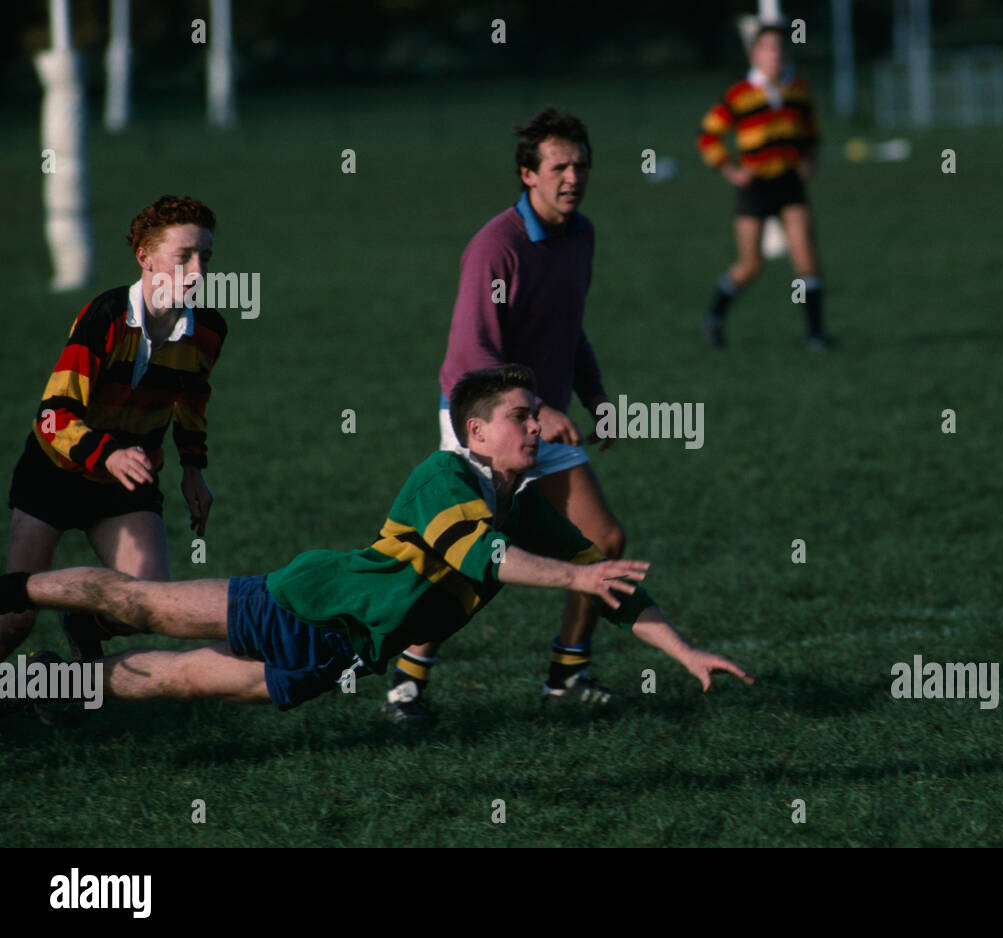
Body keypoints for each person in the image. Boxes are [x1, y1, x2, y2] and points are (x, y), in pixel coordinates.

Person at [0, 366, 754, 713]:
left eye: (536, 414)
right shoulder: (443, 478)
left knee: (182, 679)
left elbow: (612, 582)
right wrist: (576, 581)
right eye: (521, 415)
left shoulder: (523, 505)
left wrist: (683, 651)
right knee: (147, 607)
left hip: (343, 655)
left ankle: (37, 683)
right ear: (477, 433)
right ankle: (18, 590)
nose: (536, 425)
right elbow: (482, 557)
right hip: (305, 601)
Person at [385, 108, 628, 724]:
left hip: (543, 418)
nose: (572, 177)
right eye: (558, 167)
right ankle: (407, 680)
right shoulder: (497, 247)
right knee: (471, 561)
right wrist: (539, 408)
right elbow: (473, 357)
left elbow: (570, 331)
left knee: (603, 542)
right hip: (483, 420)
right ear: (528, 174)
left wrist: (598, 399)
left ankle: (567, 675)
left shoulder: (581, 236)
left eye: (581, 165)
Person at [0, 195, 225, 686]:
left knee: (147, 603)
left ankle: (84, 620)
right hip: (56, 474)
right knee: (13, 620)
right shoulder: (105, 315)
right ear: (145, 257)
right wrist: (108, 453)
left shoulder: (208, 329)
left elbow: (192, 399)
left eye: (205, 256)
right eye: (182, 255)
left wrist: (193, 470)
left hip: (126, 480)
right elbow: (53, 417)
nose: (197, 270)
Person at [697, 19, 829, 351]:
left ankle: (815, 335)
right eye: (769, 48)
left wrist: (809, 158)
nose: (776, 54)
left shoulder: (797, 89)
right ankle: (714, 316)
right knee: (751, 264)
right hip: (755, 186)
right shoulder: (739, 95)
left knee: (806, 258)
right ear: (755, 53)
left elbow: (811, 133)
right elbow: (708, 135)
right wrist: (729, 169)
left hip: (788, 184)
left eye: (781, 48)